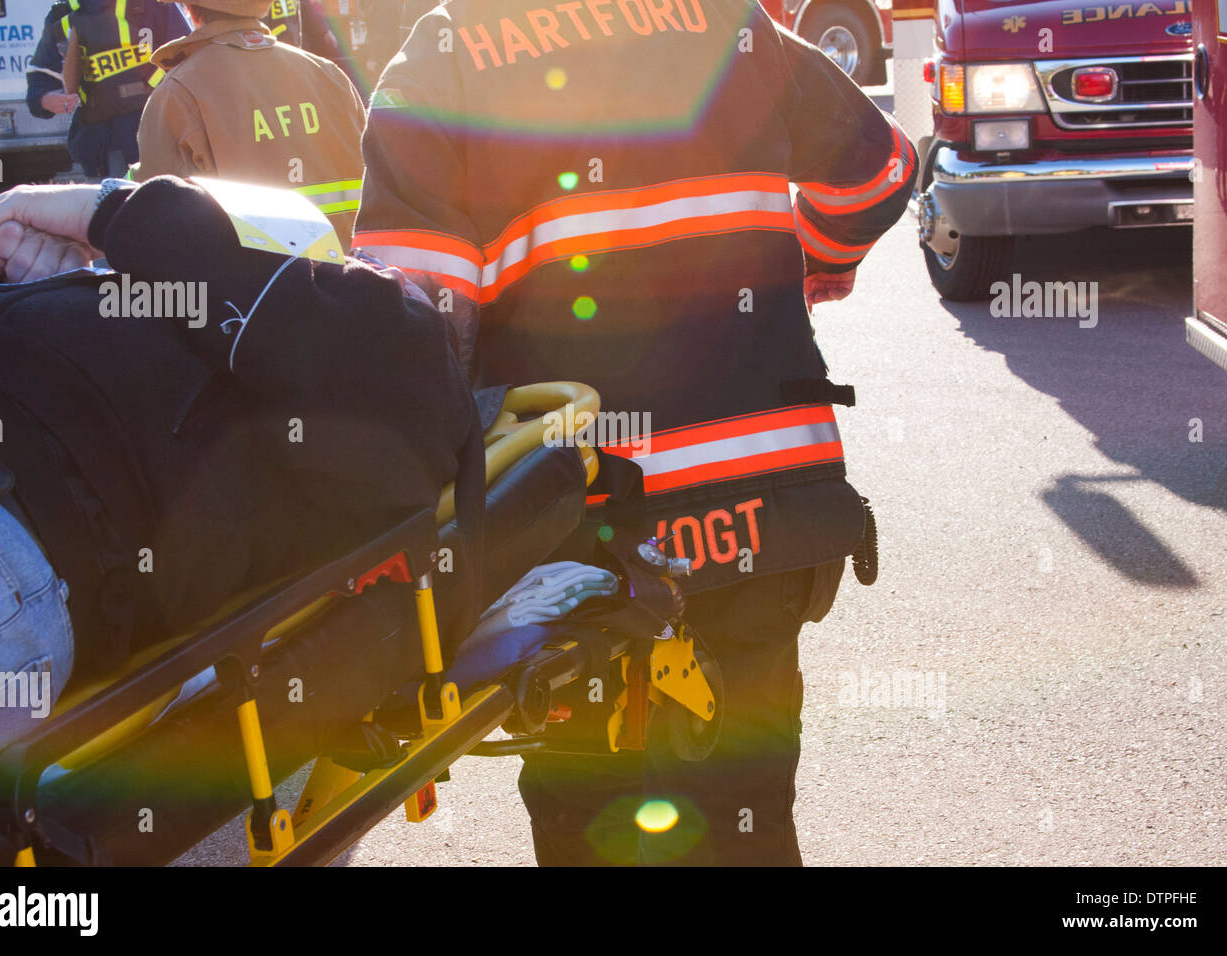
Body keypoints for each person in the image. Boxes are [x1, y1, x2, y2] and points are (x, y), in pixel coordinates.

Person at [353, 0, 915, 865]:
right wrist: (813, 263)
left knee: (592, 824)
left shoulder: (442, 56)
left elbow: (419, 327)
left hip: (578, 535)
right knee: (746, 817)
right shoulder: (733, 24)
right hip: (765, 513)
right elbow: (879, 174)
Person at [0, 176, 478, 753]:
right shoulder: (202, 311)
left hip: (0, 513)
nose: (366, 266)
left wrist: (105, 211)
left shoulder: (392, 346)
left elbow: (368, 351)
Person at [136, 0, 367, 246]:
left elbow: (156, 227)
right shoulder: (328, 75)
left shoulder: (176, 94)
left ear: (191, 10)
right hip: (344, 274)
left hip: (246, 282)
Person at [25, 0, 189, 178]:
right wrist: (45, 99)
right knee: (111, 204)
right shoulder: (62, 15)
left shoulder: (155, 4)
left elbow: (187, 56)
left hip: (156, 141)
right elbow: (40, 80)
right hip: (98, 149)